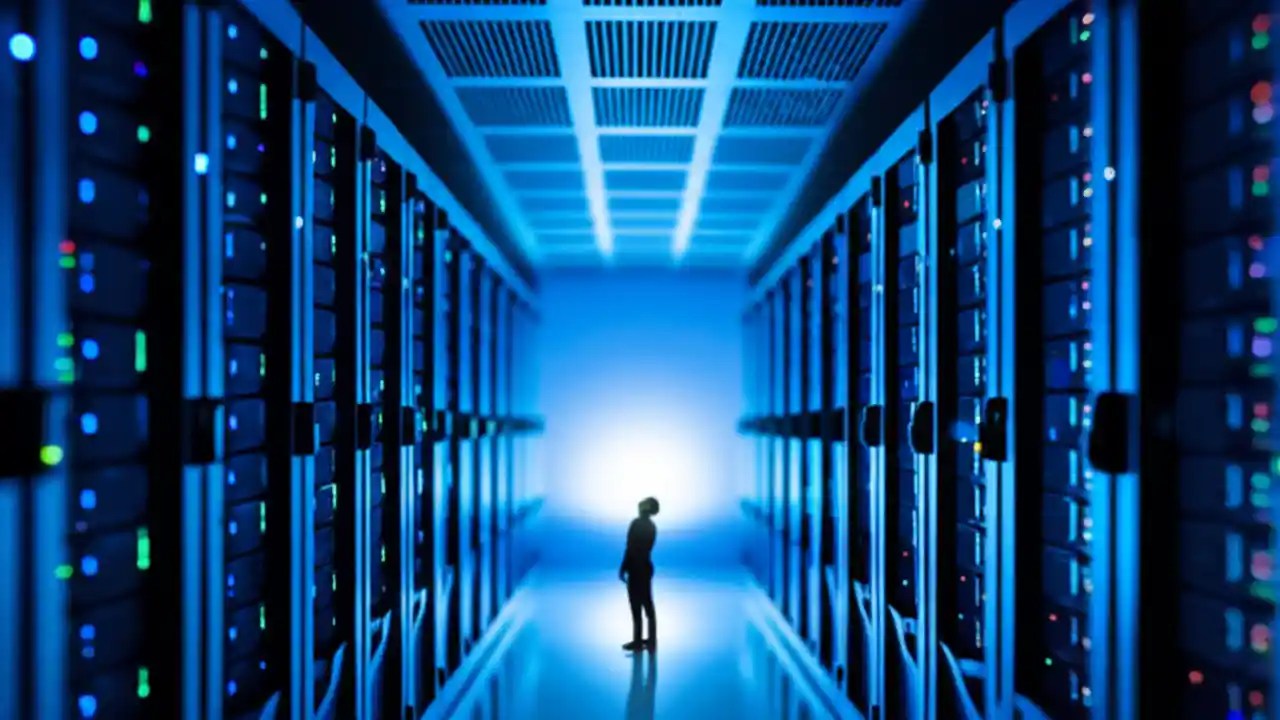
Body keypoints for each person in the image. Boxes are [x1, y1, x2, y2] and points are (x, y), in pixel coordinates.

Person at [619, 497, 659, 652]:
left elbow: (630, 548)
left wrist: (623, 567)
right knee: (648, 605)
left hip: (636, 569)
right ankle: (651, 641)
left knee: (636, 607)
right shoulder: (651, 526)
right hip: (645, 567)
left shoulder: (636, 523)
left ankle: (638, 641)